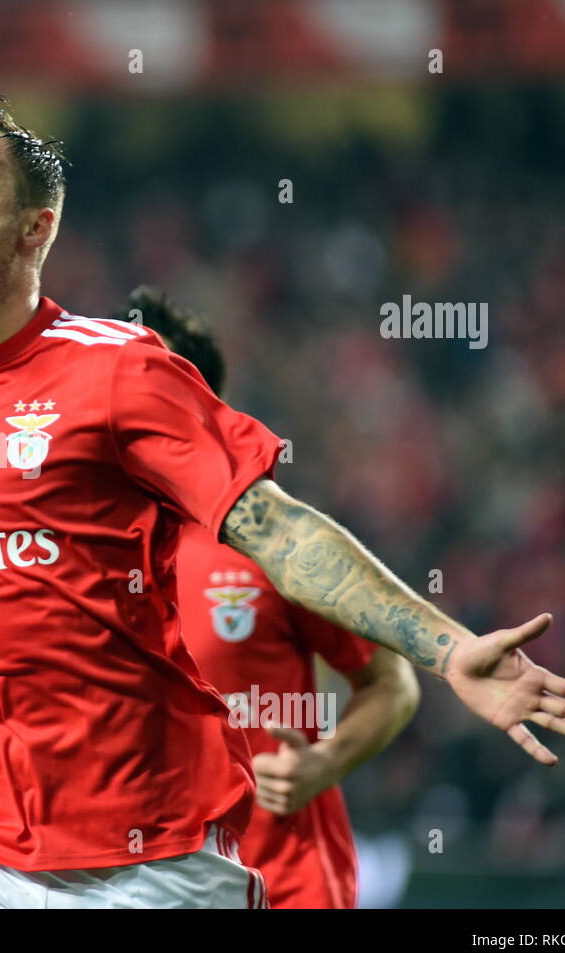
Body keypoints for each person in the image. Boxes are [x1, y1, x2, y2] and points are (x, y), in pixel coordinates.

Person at [0, 93, 565, 909]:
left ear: (37, 229)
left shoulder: (118, 371)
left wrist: (447, 651)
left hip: (148, 862)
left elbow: (278, 529)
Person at [112, 286, 418, 908]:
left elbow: (393, 685)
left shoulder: (271, 545)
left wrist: (323, 765)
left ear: (196, 413)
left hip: (285, 885)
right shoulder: (75, 559)